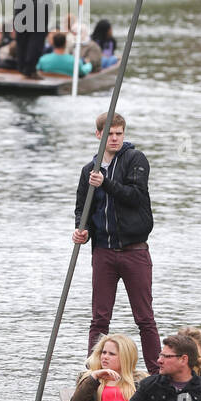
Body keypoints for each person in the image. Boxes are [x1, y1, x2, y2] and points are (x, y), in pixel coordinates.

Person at [73, 112, 160, 374]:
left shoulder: (136, 160)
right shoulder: (89, 170)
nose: (114, 138)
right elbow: (81, 208)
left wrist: (106, 183)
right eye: (109, 134)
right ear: (98, 135)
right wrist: (82, 230)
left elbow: (134, 196)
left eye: (119, 134)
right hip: (103, 253)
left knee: (145, 319)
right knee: (99, 319)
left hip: (135, 252)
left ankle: (158, 376)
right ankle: (93, 373)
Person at [69, 333, 142, 401]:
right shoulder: (90, 379)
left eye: (111, 354)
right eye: (104, 352)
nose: (105, 357)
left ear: (125, 357)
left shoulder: (139, 381)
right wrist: (95, 376)